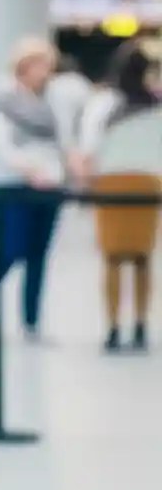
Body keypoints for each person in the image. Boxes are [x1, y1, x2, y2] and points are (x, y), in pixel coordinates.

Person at [0, 38, 67, 340]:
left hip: (47, 188)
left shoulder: (48, 104)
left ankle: (31, 321)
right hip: (10, 187)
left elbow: (57, 145)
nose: (45, 73)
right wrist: (29, 169)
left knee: (38, 257)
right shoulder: (2, 102)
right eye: (40, 65)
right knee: (7, 252)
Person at [76, 41, 161, 352]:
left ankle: (112, 326)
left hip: (111, 181)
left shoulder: (104, 103)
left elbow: (89, 145)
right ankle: (140, 324)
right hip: (148, 182)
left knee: (112, 257)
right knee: (143, 257)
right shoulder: (153, 105)